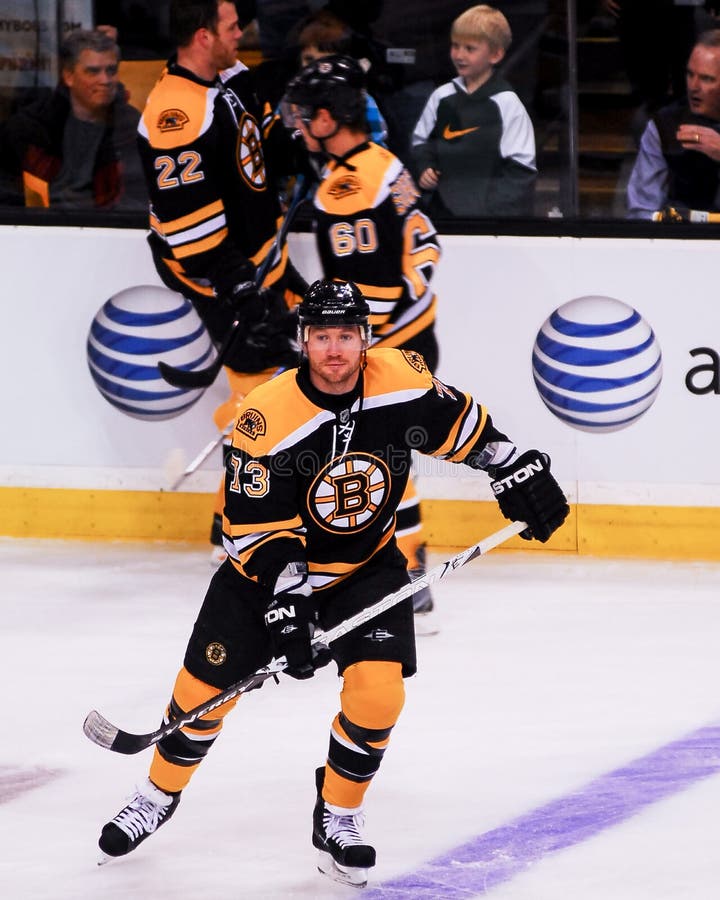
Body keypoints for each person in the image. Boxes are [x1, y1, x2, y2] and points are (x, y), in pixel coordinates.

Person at [97, 278, 569, 887]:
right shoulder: (265, 416)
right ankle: (156, 796)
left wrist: (512, 466)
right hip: (261, 580)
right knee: (200, 696)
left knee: (379, 695)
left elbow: (462, 424)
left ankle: (339, 813)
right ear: (304, 341)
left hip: (364, 568)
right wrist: (289, 606)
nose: (336, 349)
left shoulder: (401, 380)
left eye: (347, 335)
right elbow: (255, 526)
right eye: (323, 337)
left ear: (366, 338)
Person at [137, 0, 307, 563]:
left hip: (263, 258)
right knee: (262, 400)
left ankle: (225, 523)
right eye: (233, 27)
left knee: (270, 389)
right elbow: (190, 228)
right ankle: (238, 527)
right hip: (220, 275)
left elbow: (261, 131)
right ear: (204, 35)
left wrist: (292, 152)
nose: (244, 34)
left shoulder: (229, 75)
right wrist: (240, 288)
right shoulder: (174, 116)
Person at [281, 55, 442, 617]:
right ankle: (403, 562)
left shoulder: (346, 190)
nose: (298, 125)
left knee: (380, 455)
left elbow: (365, 297)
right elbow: (426, 246)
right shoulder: (383, 163)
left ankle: (411, 566)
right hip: (418, 332)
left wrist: (320, 338)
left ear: (328, 119)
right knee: (386, 453)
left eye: (305, 116)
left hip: (390, 346)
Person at [410, 4, 537, 218]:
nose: (459, 55)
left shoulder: (507, 102)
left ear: (495, 55)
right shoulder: (441, 96)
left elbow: (521, 168)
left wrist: (493, 212)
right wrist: (426, 167)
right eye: (455, 46)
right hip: (444, 216)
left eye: (470, 49)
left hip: (492, 222)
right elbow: (422, 143)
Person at [0, 29, 146, 210]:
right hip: (40, 227)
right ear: (69, 76)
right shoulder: (30, 127)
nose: (105, 80)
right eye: (93, 71)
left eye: (111, 70)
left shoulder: (131, 126)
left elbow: (139, 196)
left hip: (110, 227)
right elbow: (8, 192)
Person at [627, 28, 720, 220]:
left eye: (706, 79)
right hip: (682, 239)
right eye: (690, 74)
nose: (693, 87)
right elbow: (641, 209)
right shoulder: (665, 126)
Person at [295, 9, 388, 146]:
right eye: (309, 59)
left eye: (324, 62)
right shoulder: (292, 100)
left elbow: (378, 143)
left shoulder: (360, 100)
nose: (315, 68)